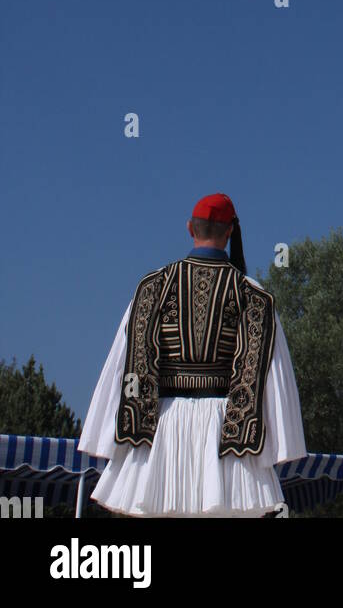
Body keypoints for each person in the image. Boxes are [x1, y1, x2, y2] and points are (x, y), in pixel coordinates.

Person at [78, 193, 306, 517]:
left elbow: (123, 367)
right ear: (230, 232)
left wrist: (108, 438)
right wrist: (281, 442)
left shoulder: (151, 287)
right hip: (229, 437)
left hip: (160, 430)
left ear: (189, 228)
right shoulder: (254, 295)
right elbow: (271, 374)